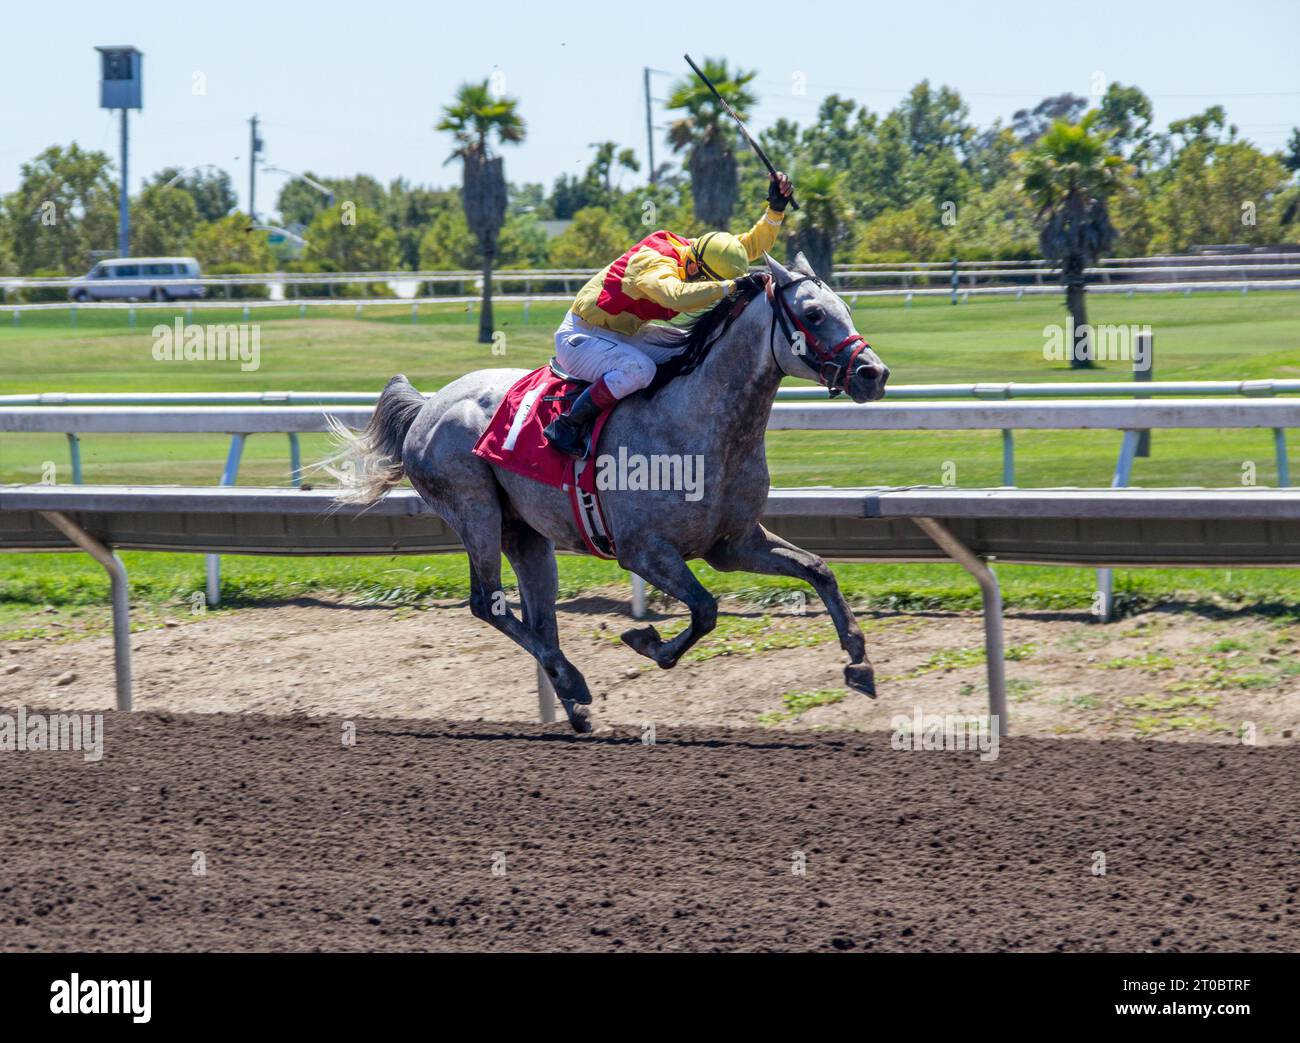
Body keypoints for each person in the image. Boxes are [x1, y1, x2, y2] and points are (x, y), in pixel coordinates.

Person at [542, 172, 795, 457]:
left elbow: (747, 247)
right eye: (705, 281)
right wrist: (731, 286)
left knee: (691, 350)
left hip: (622, 334)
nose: (704, 286)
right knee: (641, 370)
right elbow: (675, 295)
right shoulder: (653, 265)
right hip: (580, 337)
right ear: (694, 267)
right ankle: (567, 424)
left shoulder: (697, 252)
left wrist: (775, 210)